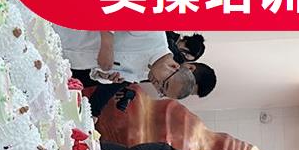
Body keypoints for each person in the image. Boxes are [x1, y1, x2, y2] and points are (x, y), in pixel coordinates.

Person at [58, 30, 216, 100]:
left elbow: (98, 71)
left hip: (66, 59)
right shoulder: (154, 35)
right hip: (69, 32)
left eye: (161, 92)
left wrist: (104, 76)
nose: (156, 86)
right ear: (174, 67)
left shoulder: (144, 74)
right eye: (164, 84)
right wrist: (107, 44)